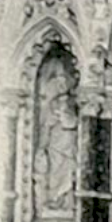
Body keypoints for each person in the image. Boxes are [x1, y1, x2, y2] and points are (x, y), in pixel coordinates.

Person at [34, 64, 78, 213]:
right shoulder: (52, 103)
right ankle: (54, 200)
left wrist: (66, 118)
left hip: (68, 142)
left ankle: (65, 201)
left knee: (68, 171)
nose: (62, 85)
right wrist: (42, 146)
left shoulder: (75, 102)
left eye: (65, 82)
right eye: (58, 82)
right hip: (55, 144)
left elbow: (77, 122)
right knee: (55, 172)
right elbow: (46, 125)